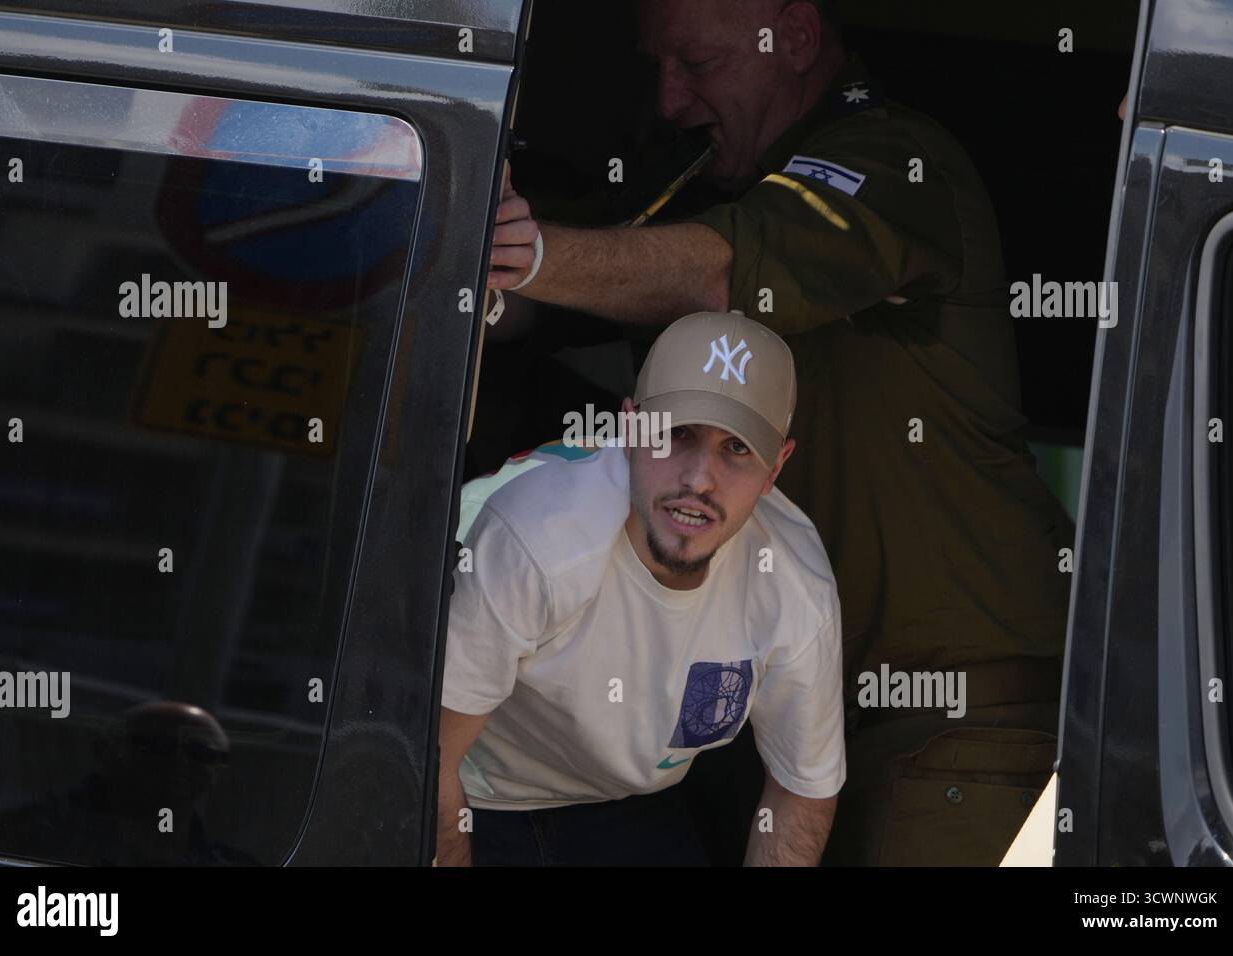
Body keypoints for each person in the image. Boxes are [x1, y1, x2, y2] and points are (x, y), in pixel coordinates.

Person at [488, 0, 1072, 865]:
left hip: (947, 728)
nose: (670, 101)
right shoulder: (694, 182)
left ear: (794, 37)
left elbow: (733, 272)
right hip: (776, 724)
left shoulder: (897, 161)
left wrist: (524, 253)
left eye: (697, 64)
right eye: (659, 68)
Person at [437, 311, 844, 866]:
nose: (700, 479)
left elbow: (802, 792)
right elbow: (426, 759)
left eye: (737, 449)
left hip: (628, 801)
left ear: (776, 466)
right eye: (677, 433)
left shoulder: (794, 583)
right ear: (629, 428)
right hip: (479, 794)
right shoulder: (535, 538)